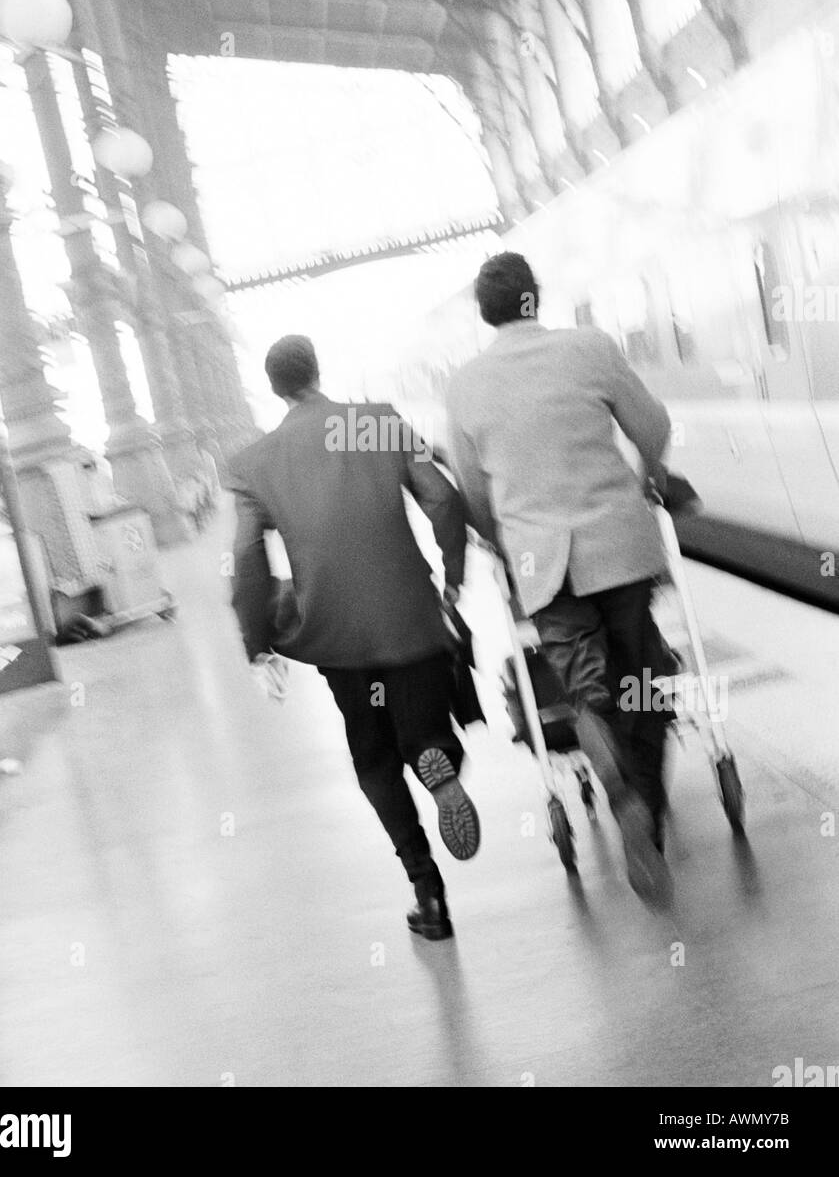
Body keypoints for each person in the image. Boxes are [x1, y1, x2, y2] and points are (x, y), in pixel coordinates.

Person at [228, 335, 480, 941]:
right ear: (317, 371)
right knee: (423, 725)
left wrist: (258, 642)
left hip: (336, 635)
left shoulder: (256, 461)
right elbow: (442, 498)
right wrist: (452, 577)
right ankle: (436, 760)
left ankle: (428, 892)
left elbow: (246, 557)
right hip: (410, 618)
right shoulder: (370, 425)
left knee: (371, 755)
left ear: (274, 389)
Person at [446, 252, 674, 908]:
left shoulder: (464, 385)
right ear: (533, 299)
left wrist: (499, 536)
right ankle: (648, 816)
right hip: (619, 545)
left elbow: (471, 490)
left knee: (586, 683)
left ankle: (614, 783)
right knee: (640, 675)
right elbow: (651, 425)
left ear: (487, 315)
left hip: (538, 563)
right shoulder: (589, 348)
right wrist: (649, 476)